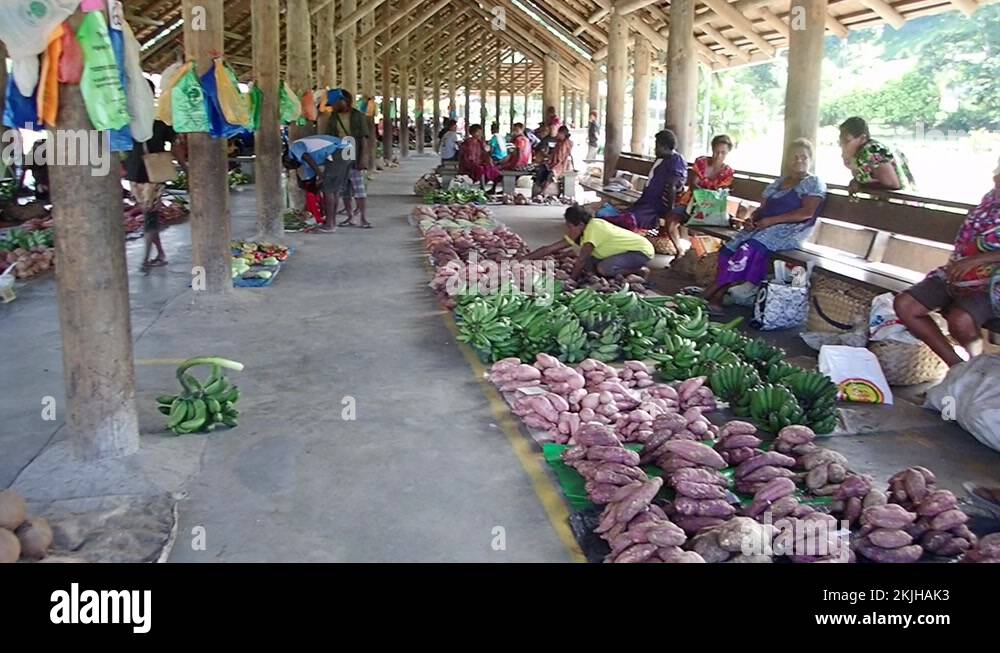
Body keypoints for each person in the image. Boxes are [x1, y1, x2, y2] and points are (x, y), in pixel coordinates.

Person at [893, 162, 1000, 367]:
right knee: (906, 305)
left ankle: (974, 367)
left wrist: (978, 260)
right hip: (958, 274)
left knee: (960, 321)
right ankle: (958, 368)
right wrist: (965, 264)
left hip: (992, 285)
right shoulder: (990, 199)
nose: (995, 179)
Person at [702, 138, 827, 313]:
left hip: (790, 231)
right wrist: (753, 219)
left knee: (748, 249)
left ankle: (717, 293)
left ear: (811, 160)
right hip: (766, 227)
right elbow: (763, 209)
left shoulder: (813, 182)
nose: (799, 161)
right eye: (794, 157)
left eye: (804, 157)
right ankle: (719, 288)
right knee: (731, 247)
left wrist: (770, 221)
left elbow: (806, 213)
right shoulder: (779, 183)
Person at [123, 111, 186, 270]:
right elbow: (176, 145)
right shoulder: (158, 123)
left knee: (150, 216)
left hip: (143, 176)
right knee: (149, 215)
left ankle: (146, 257)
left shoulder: (128, 122)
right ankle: (160, 254)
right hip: (146, 175)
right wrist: (184, 167)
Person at [523, 205, 653, 279]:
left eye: (569, 226)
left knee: (603, 269)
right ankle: (621, 269)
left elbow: (581, 259)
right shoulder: (581, 231)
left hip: (639, 251)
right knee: (589, 269)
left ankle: (639, 270)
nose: (568, 229)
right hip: (620, 251)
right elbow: (549, 249)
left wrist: (571, 281)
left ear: (579, 224)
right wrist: (523, 258)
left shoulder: (594, 227)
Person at [605, 130, 687, 233]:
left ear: (665, 147)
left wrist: (669, 211)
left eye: (657, 146)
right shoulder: (662, 158)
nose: (655, 149)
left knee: (630, 218)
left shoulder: (676, 161)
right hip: (648, 201)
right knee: (625, 214)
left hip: (658, 205)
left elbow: (672, 186)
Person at [662, 134, 734, 251]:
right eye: (716, 151)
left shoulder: (727, 172)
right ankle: (679, 250)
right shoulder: (701, 162)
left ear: (727, 153)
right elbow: (693, 184)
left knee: (698, 226)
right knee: (670, 220)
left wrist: (706, 196)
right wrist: (703, 196)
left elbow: (721, 193)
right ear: (712, 149)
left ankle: (695, 254)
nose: (718, 156)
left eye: (723, 153)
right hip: (690, 202)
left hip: (710, 208)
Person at [283, 134, 351, 233]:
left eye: (290, 166)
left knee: (328, 190)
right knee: (333, 190)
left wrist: (321, 175)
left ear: (287, 159)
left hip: (339, 150)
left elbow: (308, 158)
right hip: (347, 151)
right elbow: (311, 185)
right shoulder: (304, 161)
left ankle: (329, 225)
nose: (294, 167)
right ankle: (332, 222)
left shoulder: (294, 147)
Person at [325, 89, 373, 228]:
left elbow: (363, 137)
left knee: (359, 187)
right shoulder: (333, 117)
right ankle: (350, 216)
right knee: (344, 188)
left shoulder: (357, 116)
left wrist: (363, 157)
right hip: (340, 153)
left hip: (354, 150)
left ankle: (363, 217)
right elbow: (330, 137)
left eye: (334, 103)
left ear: (343, 101)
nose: (332, 106)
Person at [839, 116, 914, 194]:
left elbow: (893, 185)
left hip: (905, 198)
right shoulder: (857, 154)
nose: (842, 145)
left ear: (862, 138)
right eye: (841, 141)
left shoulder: (873, 151)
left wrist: (862, 185)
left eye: (847, 141)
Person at [532, 125, 574, 196]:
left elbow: (561, 157)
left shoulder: (566, 143)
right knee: (541, 169)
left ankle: (543, 190)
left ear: (563, 134)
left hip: (562, 164)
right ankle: (539, 186)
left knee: (551, 174)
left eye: (559, 133)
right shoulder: (558, 142)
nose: (558, 135)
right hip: (553, 162)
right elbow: (553, 155)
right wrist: (548, 158)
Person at [458, 123, 500, 191]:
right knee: (480, 169)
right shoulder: (467, 143)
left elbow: (485, 154)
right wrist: (473, 162)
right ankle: (482, 188)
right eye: (478, 132)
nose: (480, 134)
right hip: (469, 164)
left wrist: (489, 161)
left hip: (479, 162)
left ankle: (493, 189)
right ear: (472, 133)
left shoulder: (480, 142)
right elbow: (465, 157)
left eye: (480, 132)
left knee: (494, 170)